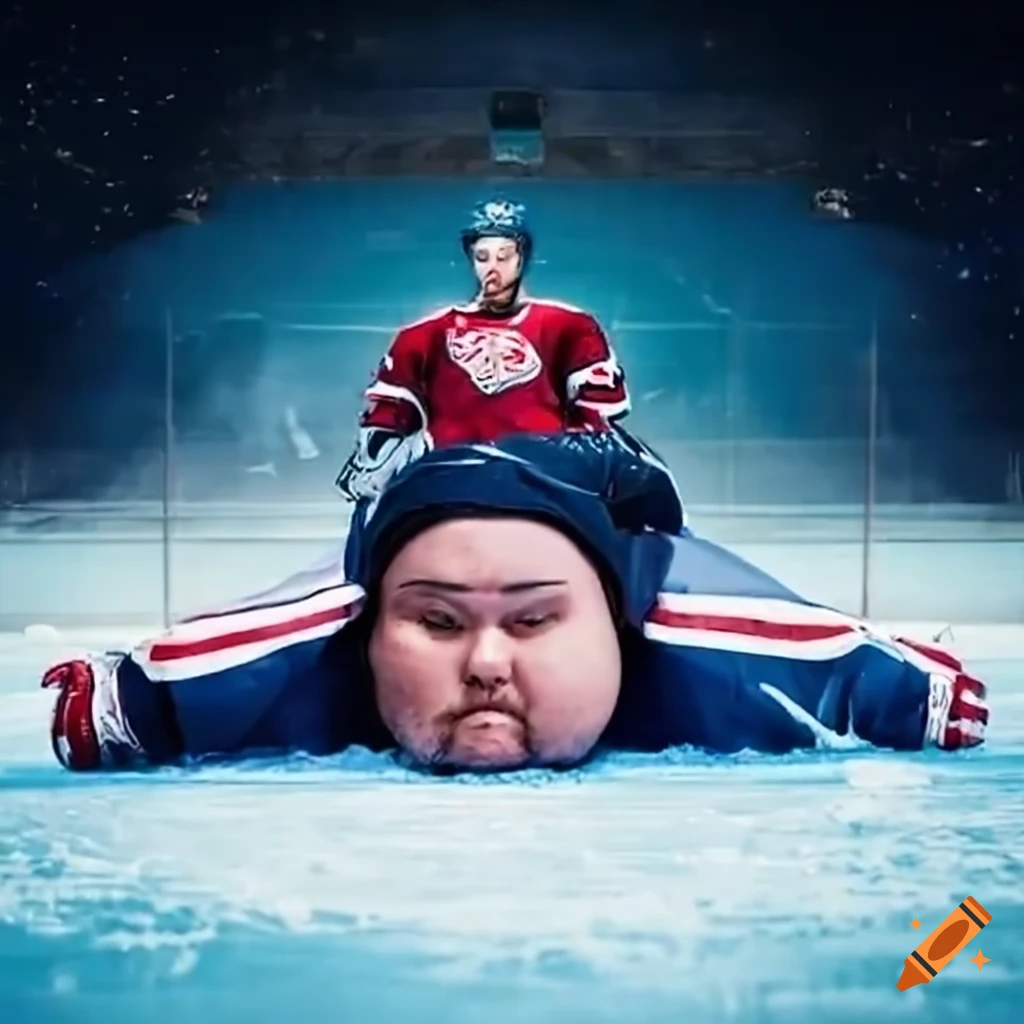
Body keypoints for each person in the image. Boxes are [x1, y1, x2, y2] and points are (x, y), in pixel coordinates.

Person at [44, 435, 989, 773]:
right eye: (437, 622)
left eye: (535, 620)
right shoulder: (288, 656)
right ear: (370, 631)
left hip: (607, 484)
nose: (487, 666)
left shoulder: (736, 647)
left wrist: (914, 688)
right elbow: (135, 695)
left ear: (619, 621)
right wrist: (120, 701)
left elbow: (926, 689)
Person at [335, 198, 648, 503]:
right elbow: (387, 416)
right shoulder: (422, 336)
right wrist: (378, 462)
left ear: (523, 257)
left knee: (643, 496)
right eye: (483, 257)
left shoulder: (571, 326)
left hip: (545, 476)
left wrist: (568, 461)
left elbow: (597, 414)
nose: (493, 268)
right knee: (371, 513)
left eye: (504, 256)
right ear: (471, 260)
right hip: (446, 473)